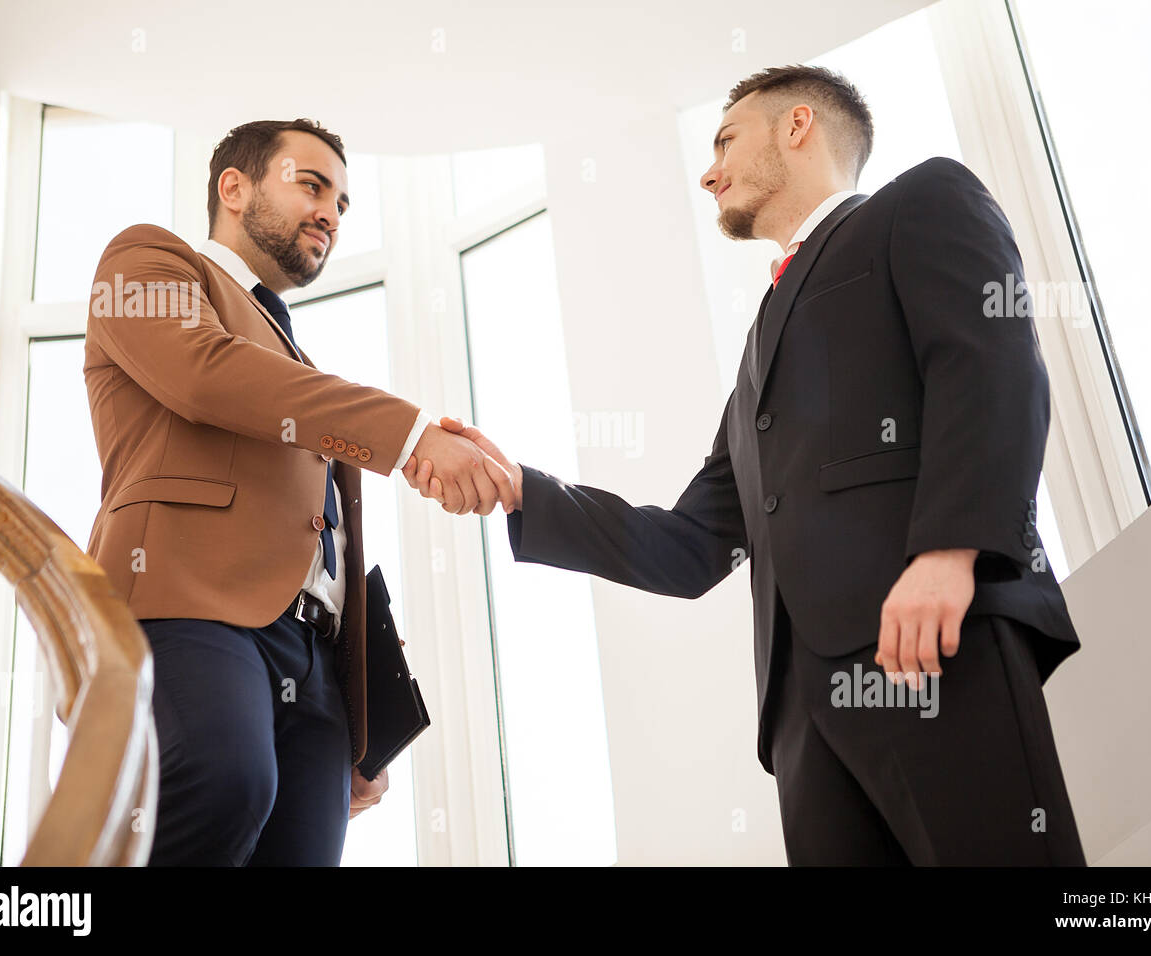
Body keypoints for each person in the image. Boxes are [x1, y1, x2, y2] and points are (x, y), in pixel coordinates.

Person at [406, 65, 1087, 865]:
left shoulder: (923, 202)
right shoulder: (760, 350)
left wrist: (949, 550)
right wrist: (525, 490)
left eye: (726, 139)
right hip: (802, 722)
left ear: (797, 126)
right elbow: (692, 543)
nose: (709, 168)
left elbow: (994, 366)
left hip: (932, 643)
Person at [83, 118, 514, 865]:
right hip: (188, 606)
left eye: (343, 204)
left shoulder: (294, 358)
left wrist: (359, 697)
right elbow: (202, 372)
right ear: (234, 187)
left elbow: (322, 537)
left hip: (313, 667)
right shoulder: (147, 258)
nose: (330, 213)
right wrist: (409, 433)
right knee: (222, 785)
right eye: (311, 185)